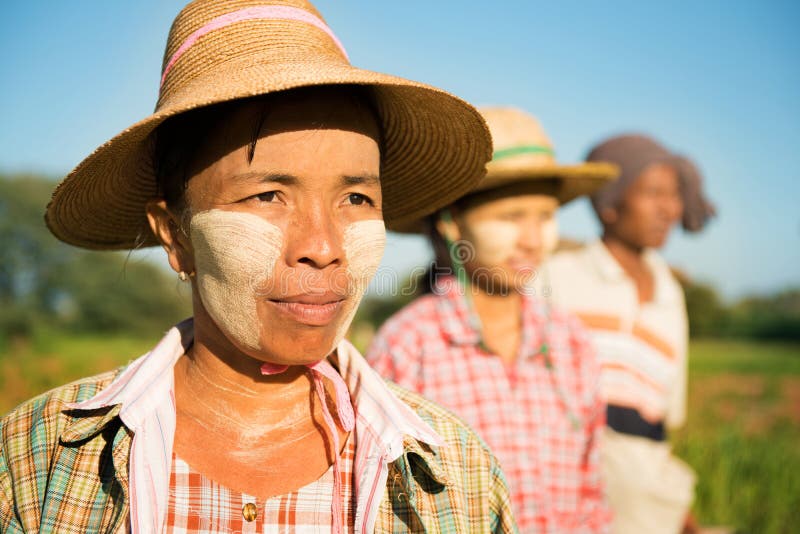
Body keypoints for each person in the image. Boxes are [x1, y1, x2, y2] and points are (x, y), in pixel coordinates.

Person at [0, 1, 519, 532]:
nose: (323, 246)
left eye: (358, 198)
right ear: (175, 237)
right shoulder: (35, 460)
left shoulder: (457, 474)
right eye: (268, 195)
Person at [367, 108, 619, 533]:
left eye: (545, 216)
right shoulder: (408, 345)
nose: (533, 239)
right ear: (450, 222)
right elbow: (382, 502)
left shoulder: (570, 342)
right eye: (511, 217)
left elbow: (590, 490)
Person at [544, 134, 715, 534]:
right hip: (568, 493)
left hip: (644, 505)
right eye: (652, 192)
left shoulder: (671, 295)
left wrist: (676, 515)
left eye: (673, 195)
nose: (669, 209)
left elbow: (662, 421)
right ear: (608, 206)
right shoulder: (557, 277)